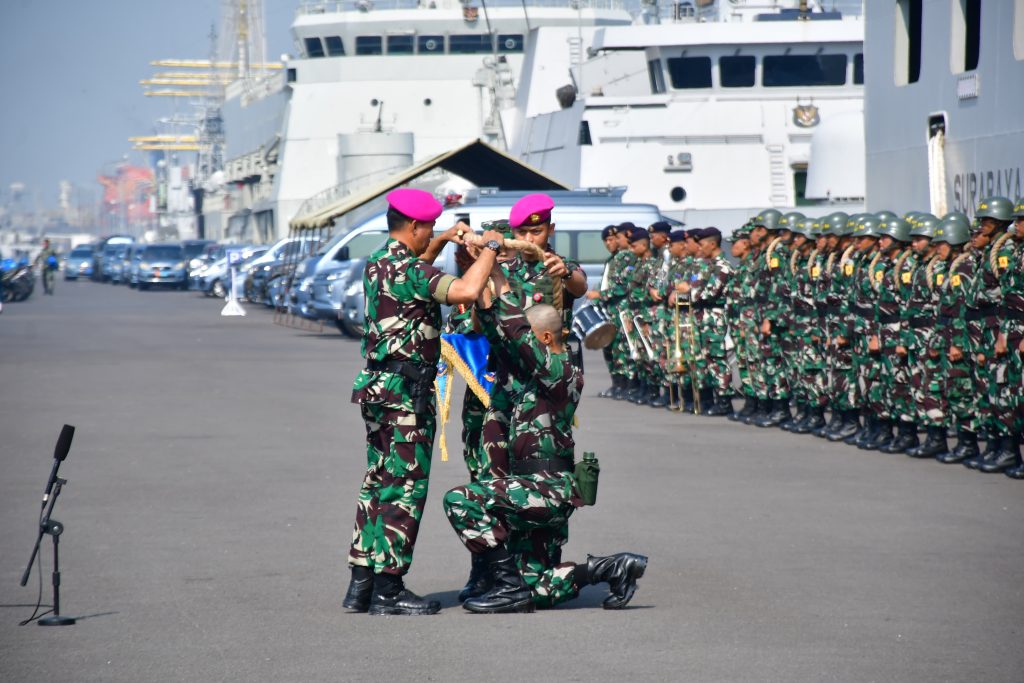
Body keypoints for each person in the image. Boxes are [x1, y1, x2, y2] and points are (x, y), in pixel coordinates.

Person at [443, 264, 647, 613]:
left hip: (546, 488)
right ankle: (611, 568)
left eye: (530, 341)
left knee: (460, 501)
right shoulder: (533, 375)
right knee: (537, 588)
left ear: (547, 338)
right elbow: (501, 333)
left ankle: (506, 585)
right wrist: (487, 285)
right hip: (533, 487)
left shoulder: (560, 370)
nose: (521, 350)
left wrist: (505, 285)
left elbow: (517, 332)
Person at [343, 188, 505, 616]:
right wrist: (490, 246)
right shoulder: (412, 272)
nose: (431, 234)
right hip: (406, 399)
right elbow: (468, 291)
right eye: (429, 228)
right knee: (405, 490)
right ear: (413, 226)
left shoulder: (379, 260)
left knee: (377, 484)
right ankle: (389, 589)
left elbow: (421, 263)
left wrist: (446, 237)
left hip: (379, 390)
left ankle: (362, 581)